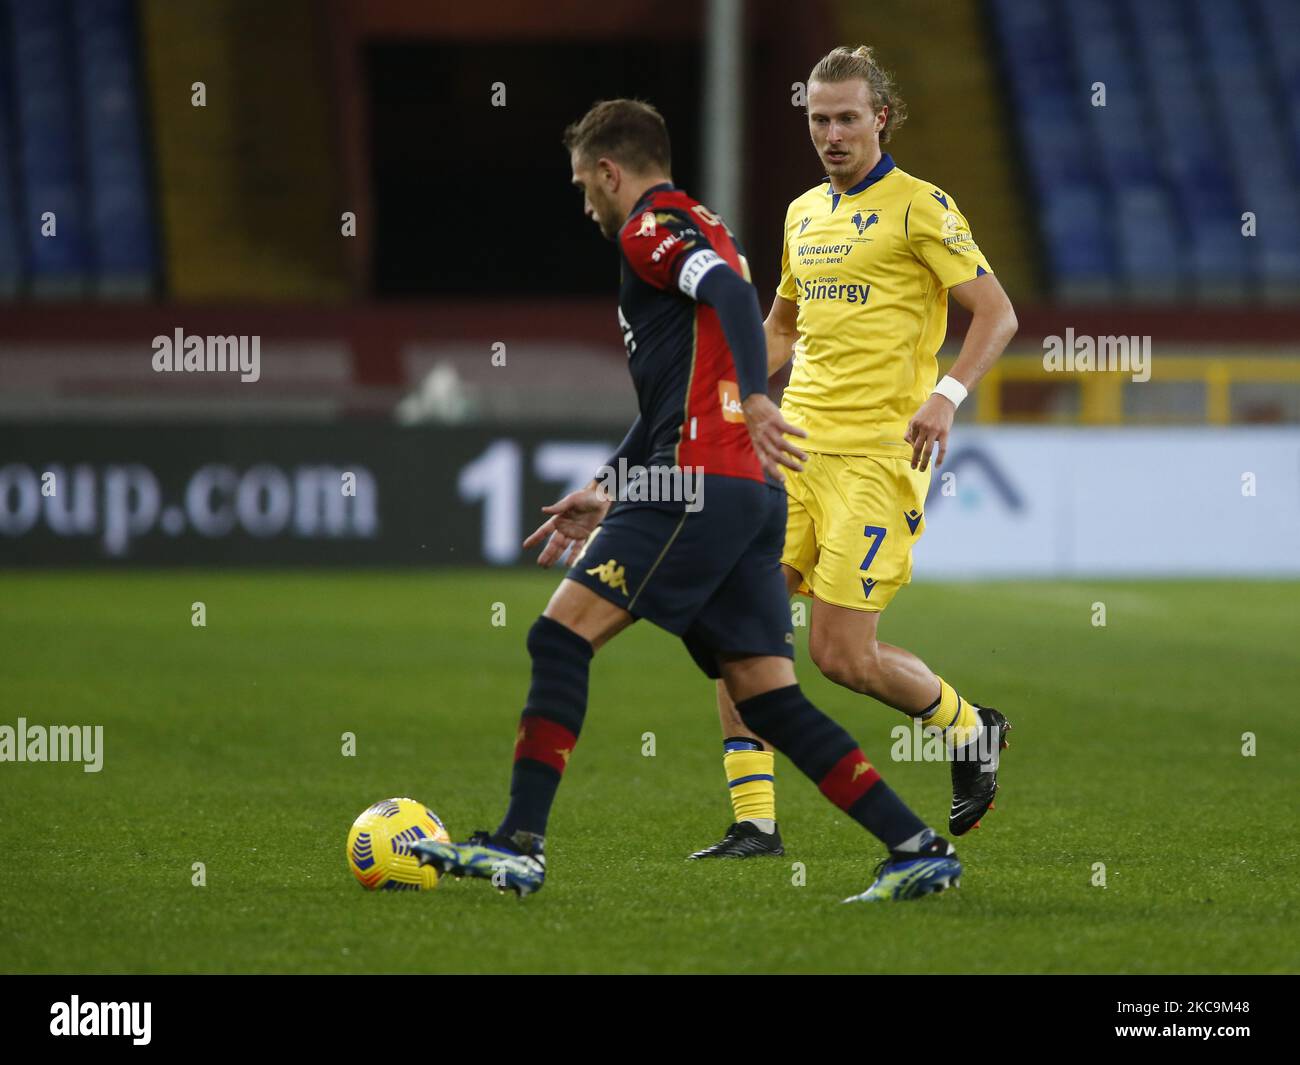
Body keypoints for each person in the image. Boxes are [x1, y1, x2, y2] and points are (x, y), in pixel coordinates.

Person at [412, 97, 963, 903]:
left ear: (610, 171)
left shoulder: (650, 227)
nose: (585, 202)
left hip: (695, 485)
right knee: (767, 697)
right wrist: (610, 483)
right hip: (741, 490)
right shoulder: (703, 224)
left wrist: (757, 395)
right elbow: (678, 390)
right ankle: (916, 847)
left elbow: (739, 307)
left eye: (582, 184)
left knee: (559, 640)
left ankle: (519, 844)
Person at [690, 46, 1019, 861]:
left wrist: (947, 395)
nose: (831, 134)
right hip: (795, 449)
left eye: (846, 118)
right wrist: (708, 400)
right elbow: (781, 331)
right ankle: (754, 823)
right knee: (740, 625)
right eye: (818, 119)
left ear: (881, 117)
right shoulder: (805, 214)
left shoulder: (921, 208)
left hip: (879, 459)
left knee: (841, 656)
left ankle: (971, 727)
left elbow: (997, 314)